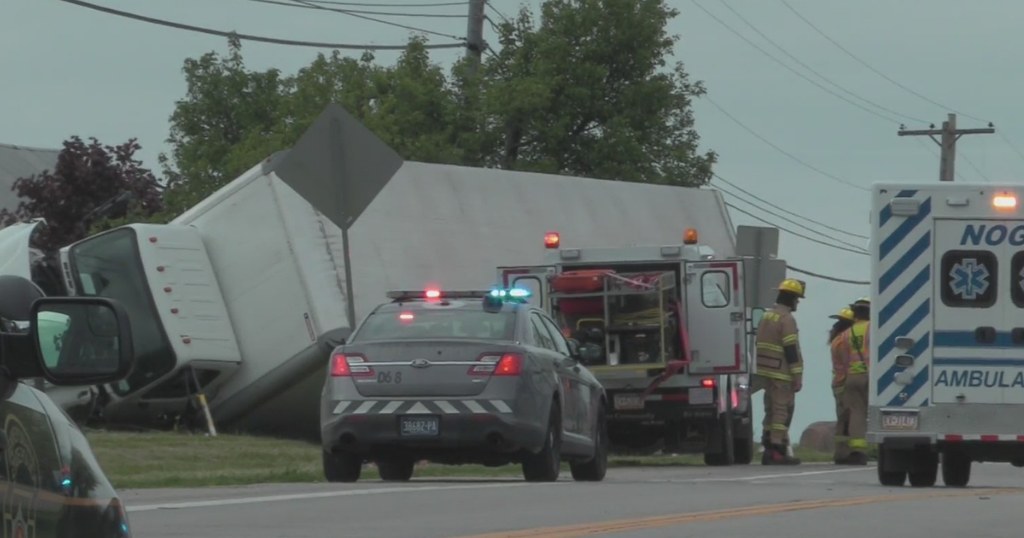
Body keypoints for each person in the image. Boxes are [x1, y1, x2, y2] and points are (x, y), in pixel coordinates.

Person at [752, 278, 806, 465]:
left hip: (763, 370)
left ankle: (768, 446)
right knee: (781, 412)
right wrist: (797, 375)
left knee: (770, 410)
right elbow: (791, 349)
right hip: (781, 373)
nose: (798, 302)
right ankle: (776, 449)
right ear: (791, 299)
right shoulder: (786, 319)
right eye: (797, 299)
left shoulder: (766, 316)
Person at [838, 297, 871, 466]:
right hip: (872, 378)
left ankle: (858, 451)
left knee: (856, 414)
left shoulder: (846, 334)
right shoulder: (874, 329)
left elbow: (842, 361)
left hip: (852, 378)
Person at [828, 307, 855, 464]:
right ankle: (844, 453)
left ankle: (841, 451)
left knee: (842, 418)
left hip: (838, 382)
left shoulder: (837, 339)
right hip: (844, 382)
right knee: (846, 419)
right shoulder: (844, 341)